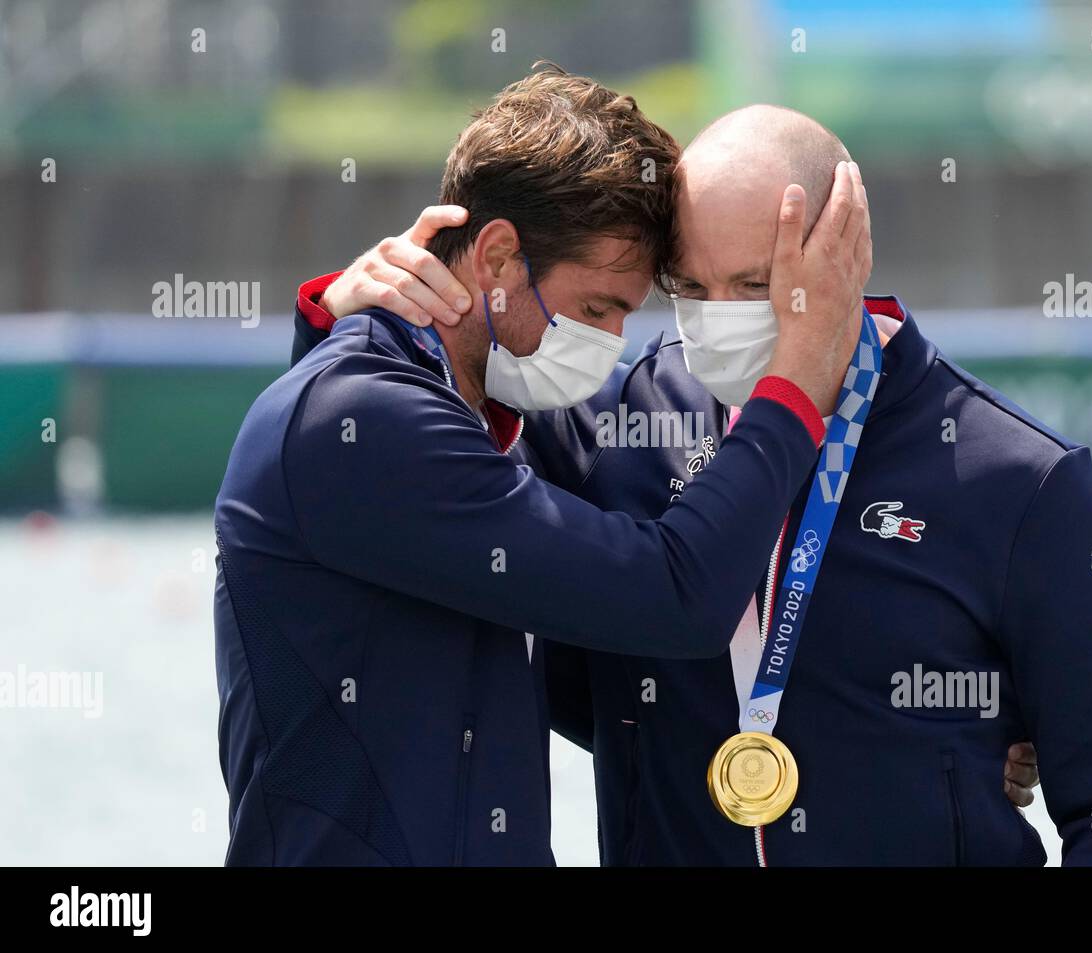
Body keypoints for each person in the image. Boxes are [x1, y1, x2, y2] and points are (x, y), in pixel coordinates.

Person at [291, 92, 1092, 865]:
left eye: (756, 286)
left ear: (843, 258)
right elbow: (407, 506)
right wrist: (336, 322)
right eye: (691, 289)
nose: (717, 322)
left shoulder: (1017, 476)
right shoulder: (609, 425)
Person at [213, 69, 871, 865]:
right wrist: (798, 378)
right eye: (598, 309)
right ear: (496, 255)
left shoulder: (455, 414)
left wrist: (955, 730)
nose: (613, 344)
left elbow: (613, 680)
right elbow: (676, 596)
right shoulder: (365, 416)